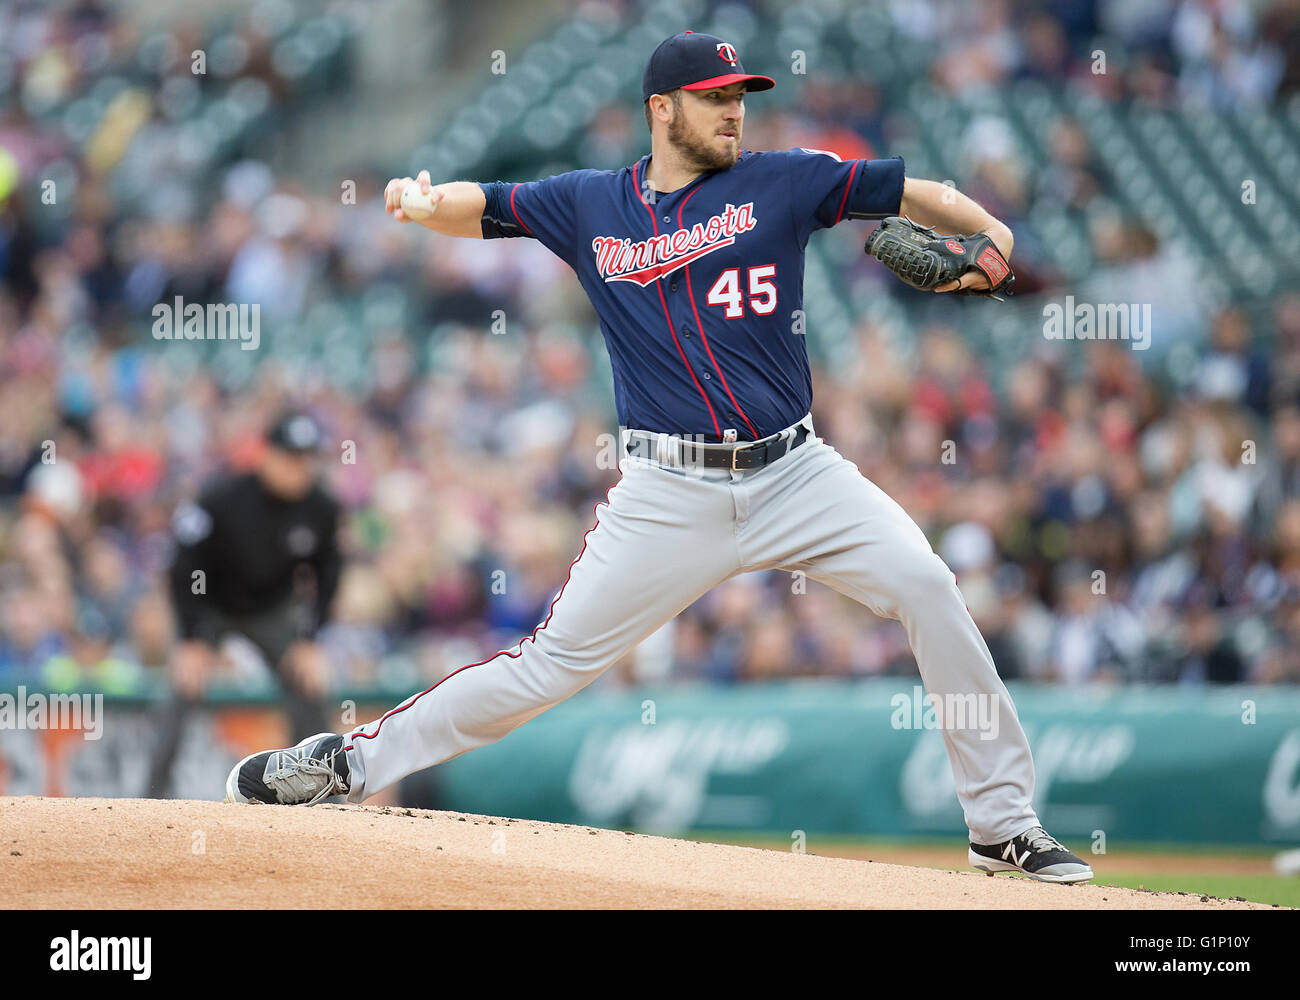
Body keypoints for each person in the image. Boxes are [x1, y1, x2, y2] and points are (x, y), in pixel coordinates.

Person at [227, 32, 1092, 883]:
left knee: (929, 588)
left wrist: (992, 237)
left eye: (740, 98)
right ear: (662, 107)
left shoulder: (783, 180)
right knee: (548, 665)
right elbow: (489, 205)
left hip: (797, 472)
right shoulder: (591, 202)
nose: (733, 114)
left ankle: (1002, 825)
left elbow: (915, 189)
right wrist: (423, 203)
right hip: (669, 490)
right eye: (715, 98)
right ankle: (346, 763)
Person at [145, 413, 341, 796]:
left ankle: (322, 794)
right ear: (266, 454)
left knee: (309, 686)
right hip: (212, 606)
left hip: (272, 610)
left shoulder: (321, 508)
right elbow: (184, 565)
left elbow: (330, 573)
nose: (297, 468)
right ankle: (152, 794)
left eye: (305, 459)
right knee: (183, 684)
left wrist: (311, 639)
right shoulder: (222, 498)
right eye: (289, 456)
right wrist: (191, 638)